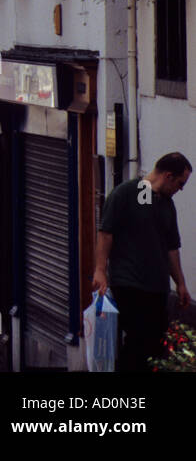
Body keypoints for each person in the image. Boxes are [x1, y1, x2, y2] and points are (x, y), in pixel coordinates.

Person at [93, 152, 192, 372]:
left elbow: (171, 247)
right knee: (138, 340)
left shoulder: (166, 205)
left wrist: (181, 283)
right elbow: (106, 233)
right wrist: (100, 270)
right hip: (128, 282)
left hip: (156, 286)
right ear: (167, 175)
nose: (180, 189)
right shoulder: (125, 194)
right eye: (180, 183)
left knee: (155, 343)